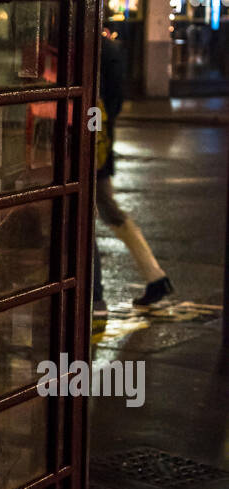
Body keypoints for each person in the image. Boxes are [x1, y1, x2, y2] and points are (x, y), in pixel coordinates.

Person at [93, 25, 173, 317]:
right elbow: (114, 103)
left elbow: (108, 102)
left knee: (103, 208)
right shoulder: (108, 48)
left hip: (93, 143)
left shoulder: (99, 49)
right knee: (108, 207)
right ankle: (155, 276)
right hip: (100, 140)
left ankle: (98, 294)